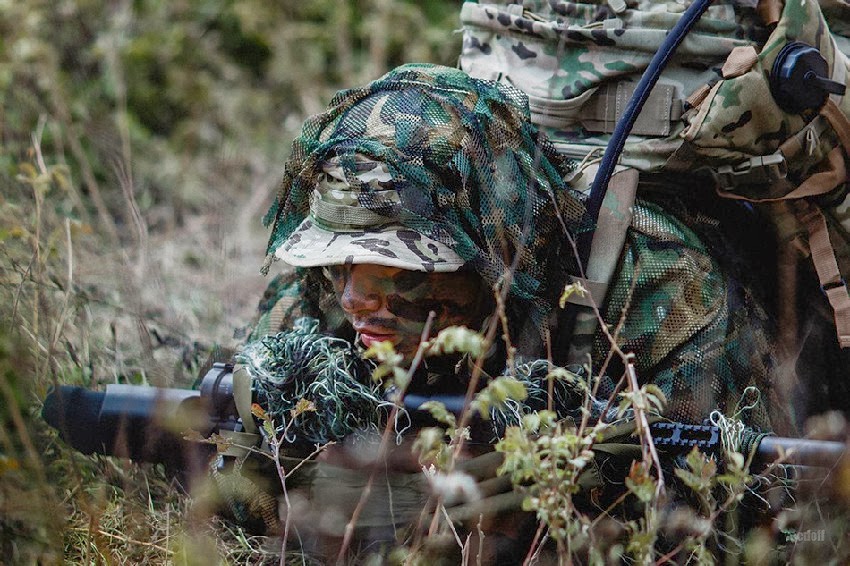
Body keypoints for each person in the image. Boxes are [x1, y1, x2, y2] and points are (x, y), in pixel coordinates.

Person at [238, 63, 785, 560]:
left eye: (402, 273)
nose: (357, 302)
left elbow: (731, 512)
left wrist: (572, 489)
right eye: (339, 264)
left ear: (491, 254)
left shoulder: (657, 287)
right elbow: (235, 487)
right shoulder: (321, 291)